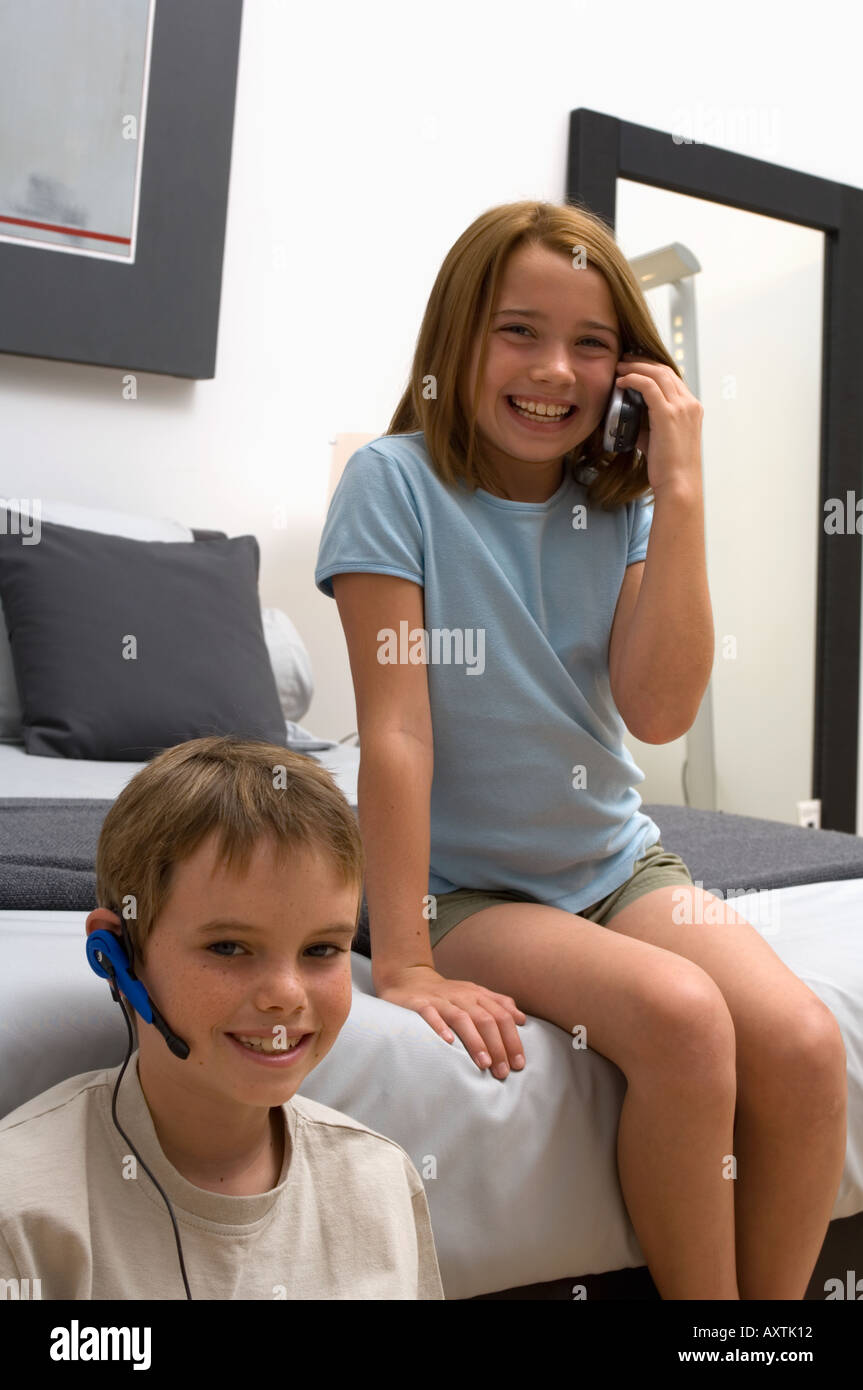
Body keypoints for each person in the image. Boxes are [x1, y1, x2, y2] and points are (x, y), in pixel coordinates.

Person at [314, 199, 847, 1300]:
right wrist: (405, 956)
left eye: (591, 343)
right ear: (458, 335)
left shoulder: (621, 505)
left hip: (612, 866)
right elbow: (397, 731)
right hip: (470, 889)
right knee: (683, 1019)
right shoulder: (392, 483)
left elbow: (657, 713)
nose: (552, 368)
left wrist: (681, 491)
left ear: (628, 370)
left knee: (799, 1043)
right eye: (518, 330)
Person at [0, 736, 444, 1300]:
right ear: (115, 957)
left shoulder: (380, 1183)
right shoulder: (21, 1208)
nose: (285, 995)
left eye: (322, 950)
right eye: (229, 948)